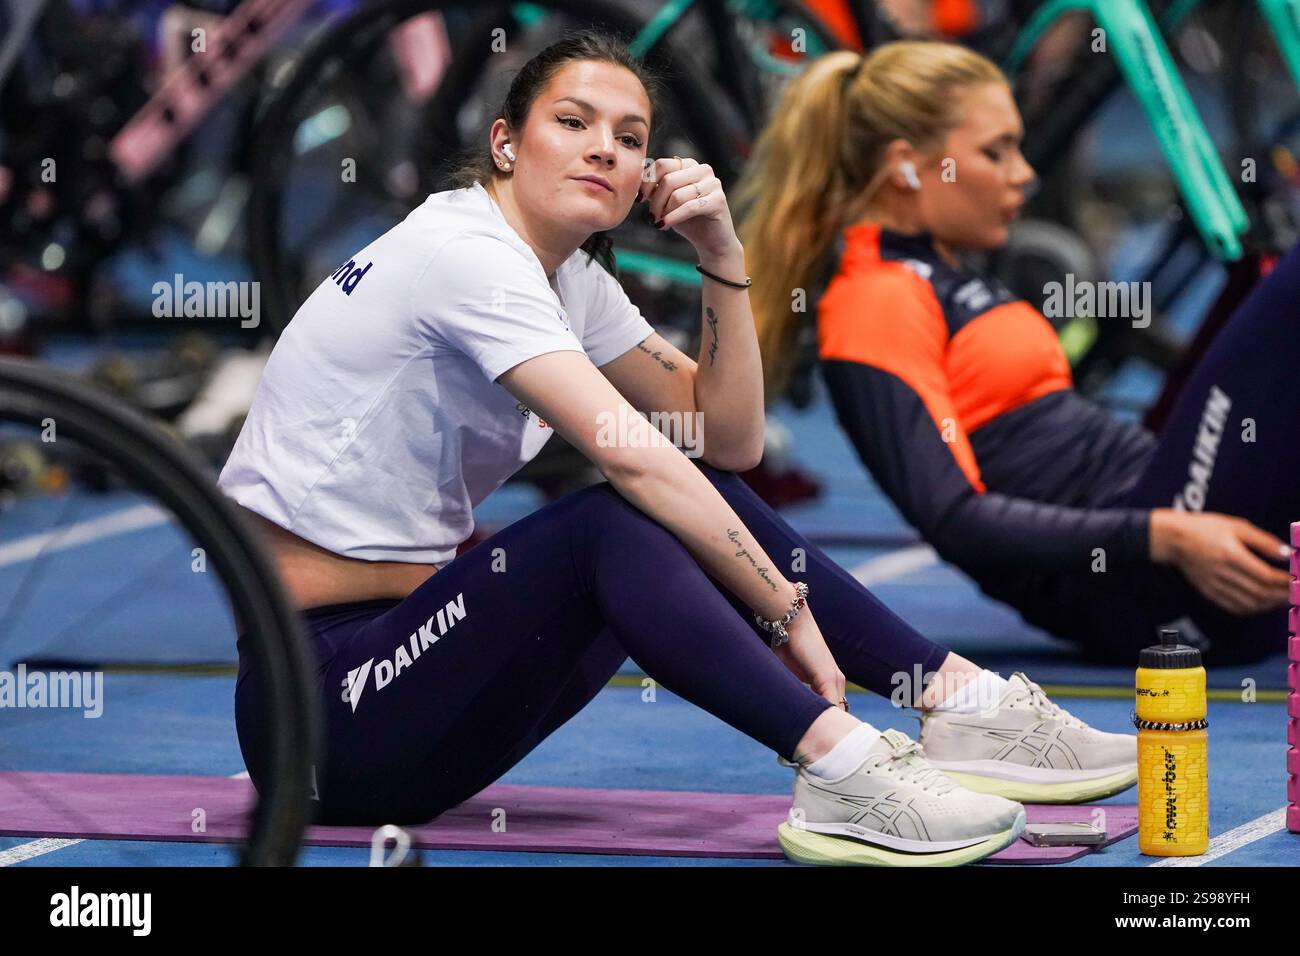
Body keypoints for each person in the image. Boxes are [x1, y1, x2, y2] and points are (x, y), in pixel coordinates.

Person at [217, 31, 1134, 867]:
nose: (602, 148)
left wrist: (719, 251)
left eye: (628, 136)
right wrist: (783, 611)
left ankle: (959, 704)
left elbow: (723, 438)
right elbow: (633, 458)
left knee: (669, 497)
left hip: (411, 699)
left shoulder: (566, 274)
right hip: (318, 710)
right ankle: (839, 762)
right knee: (614, 517)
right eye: (571, 122)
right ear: (505, 143)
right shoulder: (465, 253)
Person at [735, 41, 1298, 667]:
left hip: (1213, 564)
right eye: (994, 151)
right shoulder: (877, 298)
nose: (1024, 173)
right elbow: (953, 518)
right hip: (1161, 585)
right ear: (906, 165)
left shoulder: (941, 272)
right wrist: (1166, 536)